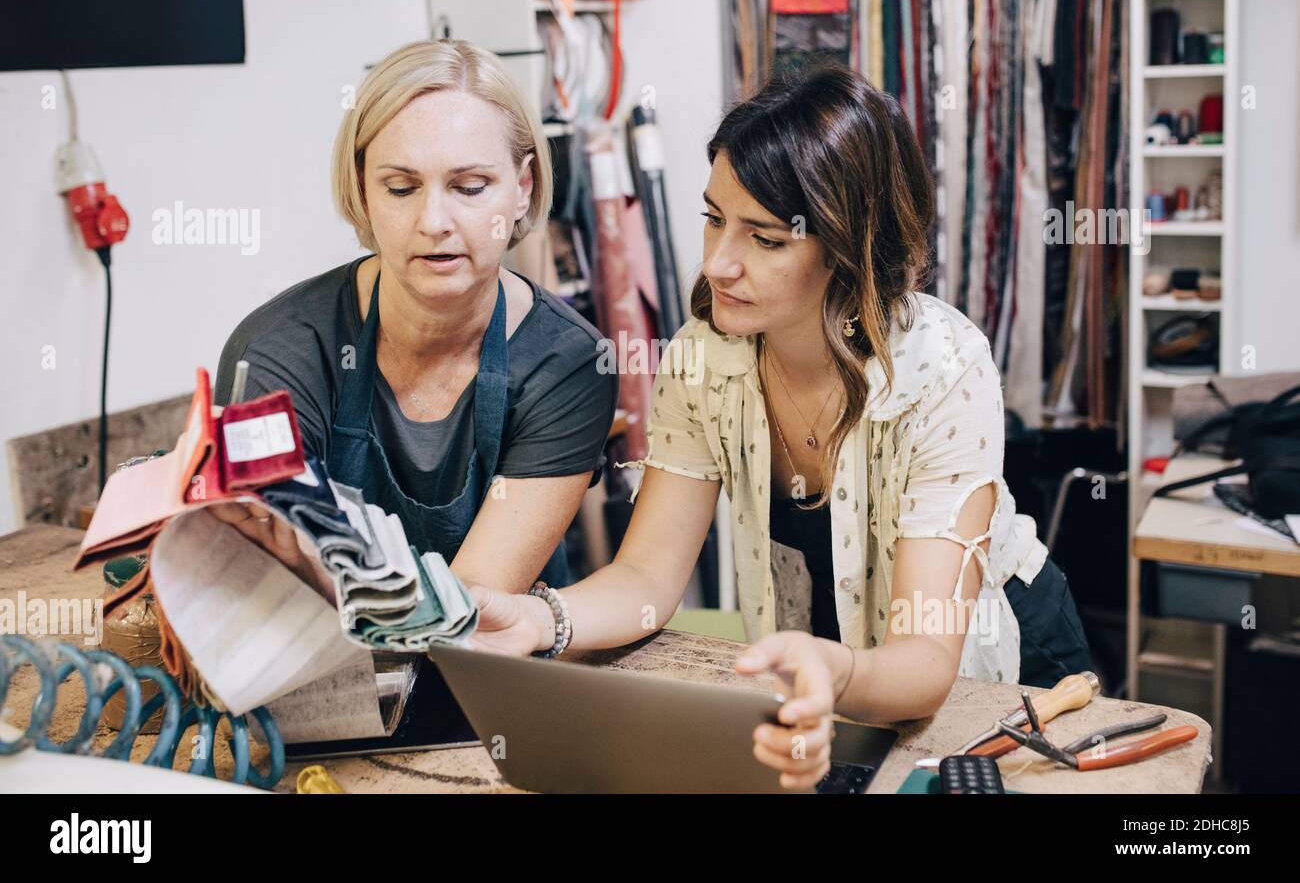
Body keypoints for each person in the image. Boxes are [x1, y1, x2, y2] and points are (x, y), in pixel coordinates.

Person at [469, 64, 1092, 789]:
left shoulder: (946, 369)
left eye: (765, 239)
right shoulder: (706, 356)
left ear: (848, 245)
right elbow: (647, 574)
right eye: (713, 219)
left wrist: (834, 666)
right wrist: (541, 620)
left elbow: (923, 662)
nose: (719, 262)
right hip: (828, 649)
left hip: (995, 661)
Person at [211, 39, 617, 592]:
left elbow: (475, 613)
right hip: (328, 670)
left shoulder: (567, 363)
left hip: (499, 674)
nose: (434, 221)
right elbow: (265, 585)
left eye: (469, 187)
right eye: (400, 188)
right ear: (361, 190)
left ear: (522, 189)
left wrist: (318, 566)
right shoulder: (277, 349)